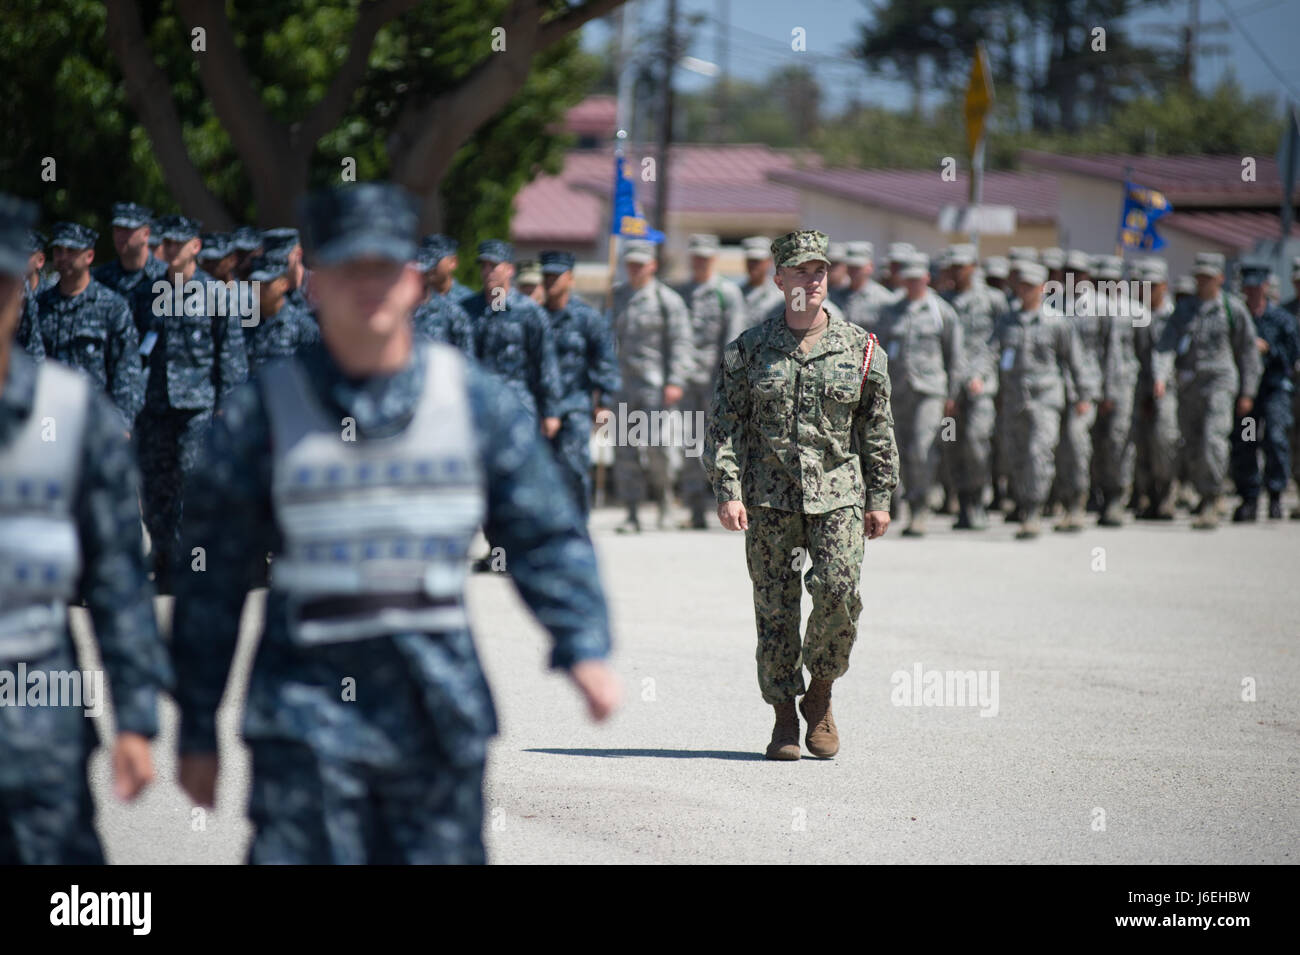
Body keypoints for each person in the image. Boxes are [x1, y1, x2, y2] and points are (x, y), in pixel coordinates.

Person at [171, 183, 620, 864]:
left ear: (413, 280)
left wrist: (582, 641)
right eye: (350, 268)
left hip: (435, 722)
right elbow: (212, 576)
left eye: (384, 268)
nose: (368, 286)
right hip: (303, 724)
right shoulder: (264, 412)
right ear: (315, 283)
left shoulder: (471, 402)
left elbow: (543, 532)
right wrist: (197, 723)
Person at [0, 192, 171, 864]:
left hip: (42, 714)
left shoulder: (70, 416)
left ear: (22, 284)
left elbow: (116, 579)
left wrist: (134, 717)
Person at [703, 229, 898, 761]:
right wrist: (729, 490)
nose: (811, 280)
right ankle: (784, 718)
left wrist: (880, 496)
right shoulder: (748, 351)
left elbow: (877, 427)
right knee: (775, 609)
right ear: (779, 278)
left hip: (838, 496)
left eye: (819, 270)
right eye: (800, 270)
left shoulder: (860, 347)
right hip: (768, 500)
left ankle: (822, 694)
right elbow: (724, 427)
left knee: (839, 593)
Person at [135, 214, 249, 590]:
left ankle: (194, 563)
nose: (170, 249)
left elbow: (230, 353)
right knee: (154, 484)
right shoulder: (147, 292)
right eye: (166, 242)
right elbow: (135, 351)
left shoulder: (216, 293)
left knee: (191, 483)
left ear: (195, 247)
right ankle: (165, 555)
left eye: (179, 242)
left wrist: (226, 406)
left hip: (198, 405)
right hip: (154, 406)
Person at [1153, 252, 1262, 530]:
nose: (1202, 282)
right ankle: (1201, 492)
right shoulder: (1184, 310)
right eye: (1199, 277)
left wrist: (1248, 391)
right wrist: (1160, 377)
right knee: (1191, 444)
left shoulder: (1232, 309)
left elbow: (1248, 351)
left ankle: (1212, 497)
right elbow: (1166, 346)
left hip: (1220, 383)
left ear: (1220, 279)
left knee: (1214, 440)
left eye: (1208, 278)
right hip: (1189, 386)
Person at [991, 262, 1097, 539]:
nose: (1023, 291)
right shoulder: (1007, 321)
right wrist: (979, 378)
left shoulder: (1057, 322)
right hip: (1014, 400)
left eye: (1029, 287)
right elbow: (990, 353)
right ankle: (1026, 502)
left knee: (1040, 453)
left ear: (1041, 289)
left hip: (1046, 398)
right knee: (1016, 455)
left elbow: (1075, 361)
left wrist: (1083, 395)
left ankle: (1034, 510)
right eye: (1020, 286)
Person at [874, 252, 963, 536]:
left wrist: (952, 394)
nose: (912, 284)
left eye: (917, 279)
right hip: (896, 391)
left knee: (922, 449)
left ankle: (920, 508)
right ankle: (898, 503)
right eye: (907, 279)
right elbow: (877, 352)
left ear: (927, 278)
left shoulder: (941, 311)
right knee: (894, 452)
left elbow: (954, 356)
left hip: (929, 391)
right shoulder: (890, 310)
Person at [608, 239, 693, 533]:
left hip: (655, 388)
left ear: (652, 266)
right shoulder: (616, 297)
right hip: (622, 387)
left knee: (660, 448)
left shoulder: (666, 300)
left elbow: (682, 343)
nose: (634, 269)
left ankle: (666, 501)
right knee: (625, 451)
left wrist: (675, 381)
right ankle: (631, 512)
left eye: (640, 264)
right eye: (630, 264)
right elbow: (606, 342)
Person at [37, 222, 143, 426]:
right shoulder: (40, 305)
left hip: (94, 420)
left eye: (72, 251)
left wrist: (122, 423)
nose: (63, 257)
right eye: (58, 250)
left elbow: (126, 370)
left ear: (89, 257)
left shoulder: (112, 306)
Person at [540, 250, 620, 519]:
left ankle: (577, 529)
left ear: (570, 279)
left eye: (556, 276)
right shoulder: (534, 316)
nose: (550, 281)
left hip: (575, 404)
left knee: (574, 470)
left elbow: (605, 361)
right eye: (546, 275)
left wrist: (604, 402)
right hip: (539, 407)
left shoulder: (587, 317)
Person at [674, 234, 746, 529]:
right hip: (688, 380)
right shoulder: (681, 293)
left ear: (714, 258)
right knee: (691, 444)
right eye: (696, 257)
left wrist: (729, 381)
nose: (700, 262)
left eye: (706, 257)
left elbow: (734, 339)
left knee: (723, 444)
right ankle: (694, 508)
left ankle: (728, 502)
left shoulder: (726, 293)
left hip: (717, 384)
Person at [943, 243, 1006, 530]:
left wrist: (981, 373)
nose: (956, 271)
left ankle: (979, 498)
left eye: (961, 266)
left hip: (982, 387)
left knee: (977, 441)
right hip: (949, 391)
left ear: (973, 267)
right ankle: (962, 501)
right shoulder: (942, 302)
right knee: (951, 444)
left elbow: (999, 342)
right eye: (952, 266)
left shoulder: (993, 300)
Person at [1230, 266, 1299, 520]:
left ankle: (1276, 495)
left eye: (1256, 287)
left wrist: (1268, 349)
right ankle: (1249, 496)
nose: (1251, 292)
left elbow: (1292, 357)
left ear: (1266, 288)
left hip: (1273, 391)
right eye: (1247, 287)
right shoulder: (1239, 317)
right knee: (1247, 440)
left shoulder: (1282, 320)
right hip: (1249, 394)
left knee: (1275, 439)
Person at [241, 251, 321, 373]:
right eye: (256, 283)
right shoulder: (246, 323)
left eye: (267, 283)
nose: (260, 288)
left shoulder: (302, 326)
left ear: (284, 284)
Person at [92, 202, 167, 300]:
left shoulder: (165, 275)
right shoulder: (99, 277)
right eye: (117, 229)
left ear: (146, 234)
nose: (120, 236)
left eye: (127, 229)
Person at [838, 241, 896, 334]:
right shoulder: (835, 295)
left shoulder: (884, 299)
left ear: (870, 267)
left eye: (858, 267)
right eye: (851, 266)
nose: (854, 271)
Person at [736, 235, 784, 333]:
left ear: (769, 262)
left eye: (757, 261)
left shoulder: (780, 296)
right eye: (750, 261)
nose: (753, 265)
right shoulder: (736, 293)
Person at [420, 234, 475, 306]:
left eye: (435, 260)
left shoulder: (468, 300)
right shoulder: (413, 297)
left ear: (453, 262)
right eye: (425, 259)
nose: (429, 265)